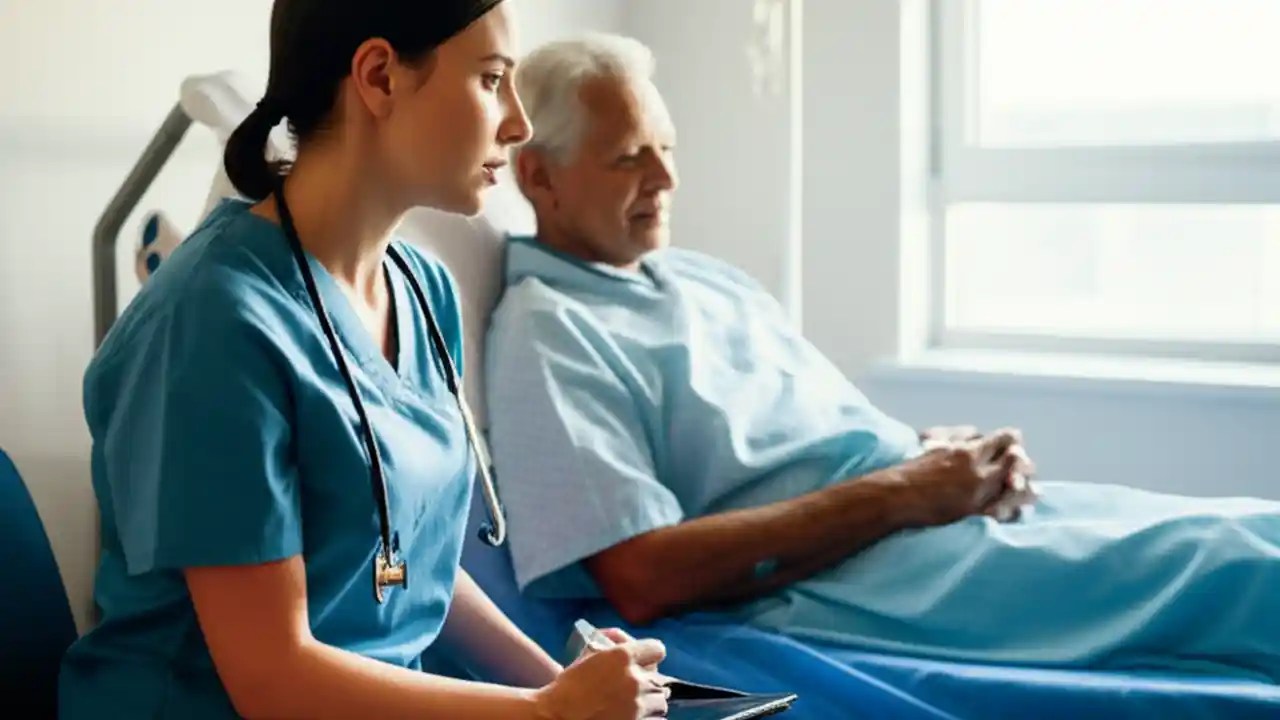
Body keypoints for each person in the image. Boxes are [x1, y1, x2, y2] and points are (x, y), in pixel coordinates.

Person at [484, 32, 1280, 683]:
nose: (666, 177)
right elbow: (642, 577)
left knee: (1247, 530)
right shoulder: (547, 331)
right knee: (1234, 566)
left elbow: (810, 441)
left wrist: (943, 462)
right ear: (538, 177)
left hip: (919, 518)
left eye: (667, 147)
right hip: (865, 576)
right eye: (628, 157)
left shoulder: (700, 279)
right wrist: (905, 492)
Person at [58, 4, 671, 719]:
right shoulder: (213, 323)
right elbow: (271, 677)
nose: (518, 122)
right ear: (379, 77)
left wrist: (561, 686)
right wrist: (547, 713)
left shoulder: (421, 288)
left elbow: (407, 572)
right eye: (491, 79)